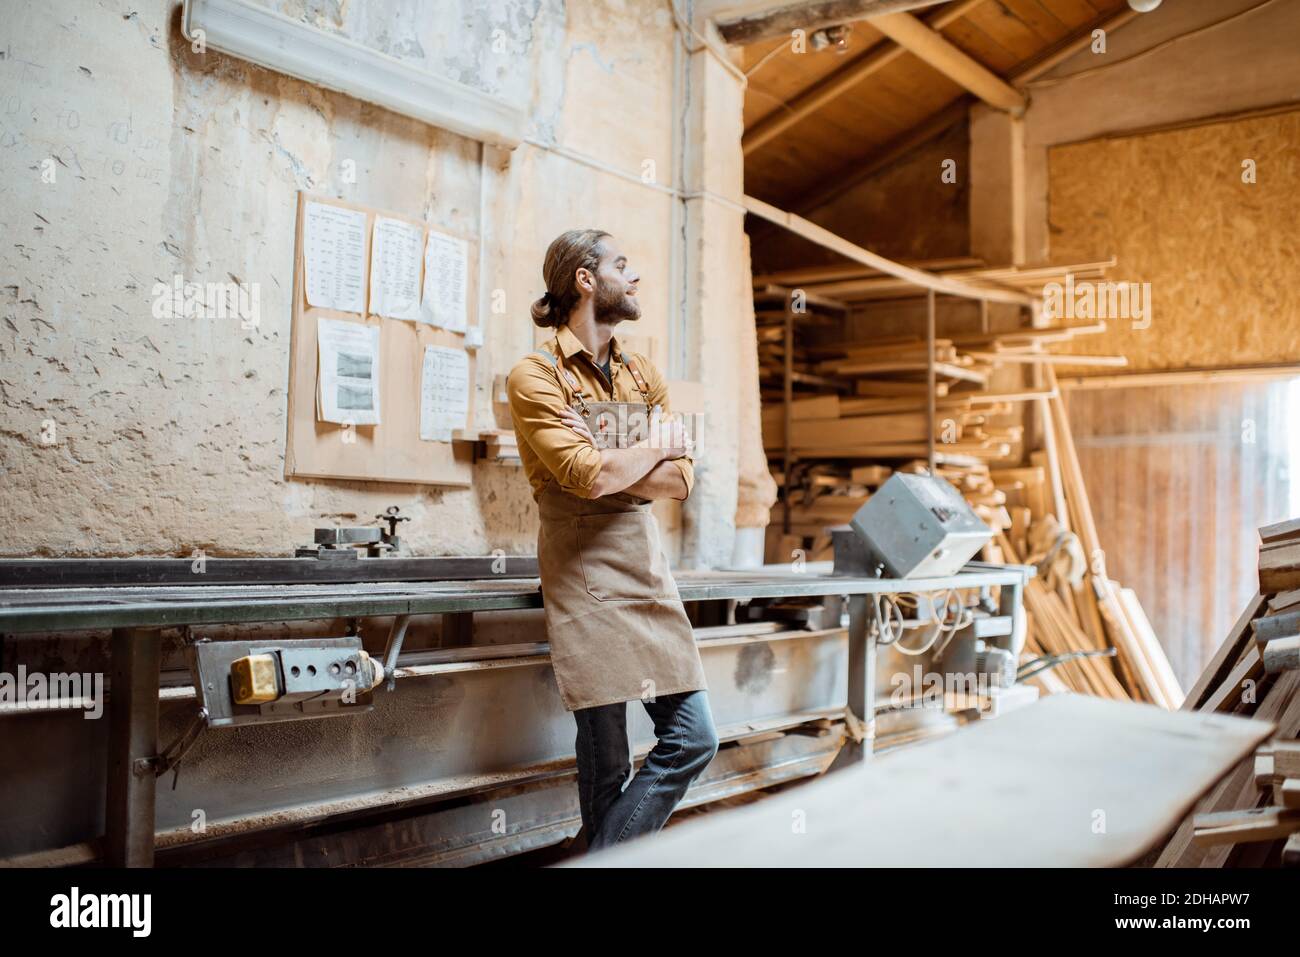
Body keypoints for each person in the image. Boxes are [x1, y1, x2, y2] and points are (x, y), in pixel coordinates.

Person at [506, 228, 719, 852]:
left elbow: (681, 481)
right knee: (606, 768)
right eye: (622, 265)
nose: (636, 277)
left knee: (693, 738)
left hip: (644, 565)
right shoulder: (535, 376)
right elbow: (588, 476)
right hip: (583, 573)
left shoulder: (640, 370)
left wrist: (621, 458)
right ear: (585, 279)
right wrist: (654, 445)